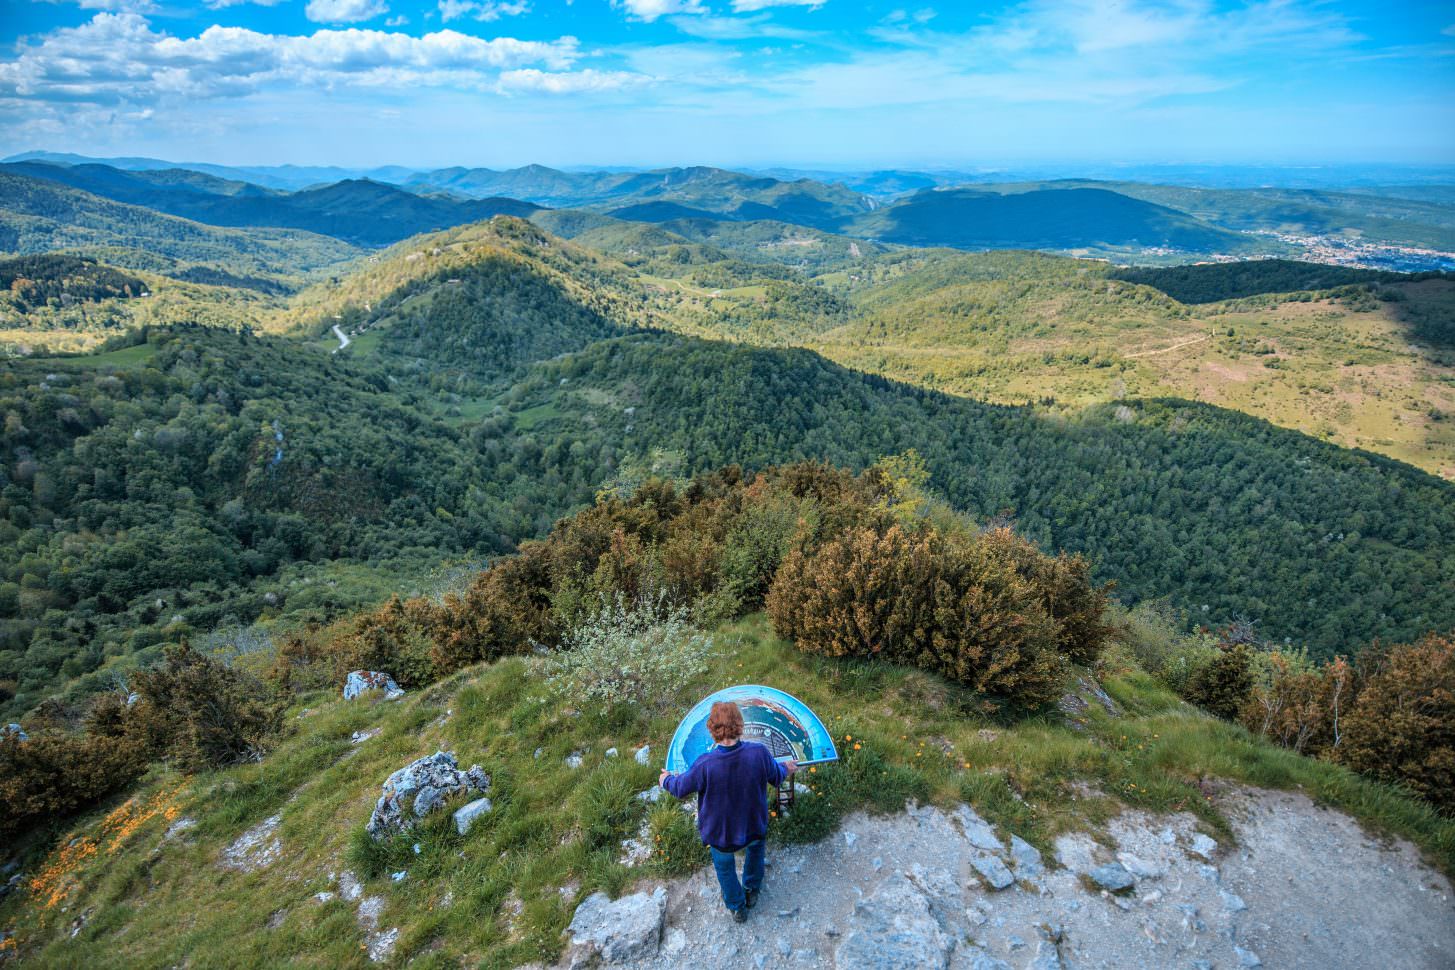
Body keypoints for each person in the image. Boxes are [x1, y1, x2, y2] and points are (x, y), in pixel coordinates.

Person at [659, 701, 798, 923]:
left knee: (725, 869)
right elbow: (776, 775)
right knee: (755, 855)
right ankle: (752, 891)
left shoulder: (705, 764)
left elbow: (679, 788)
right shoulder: (759, 753)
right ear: (739, 725)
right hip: (753, 825)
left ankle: (737, 907)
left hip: (720, 834)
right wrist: (787, 767)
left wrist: (665, 779)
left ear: (712, 729)